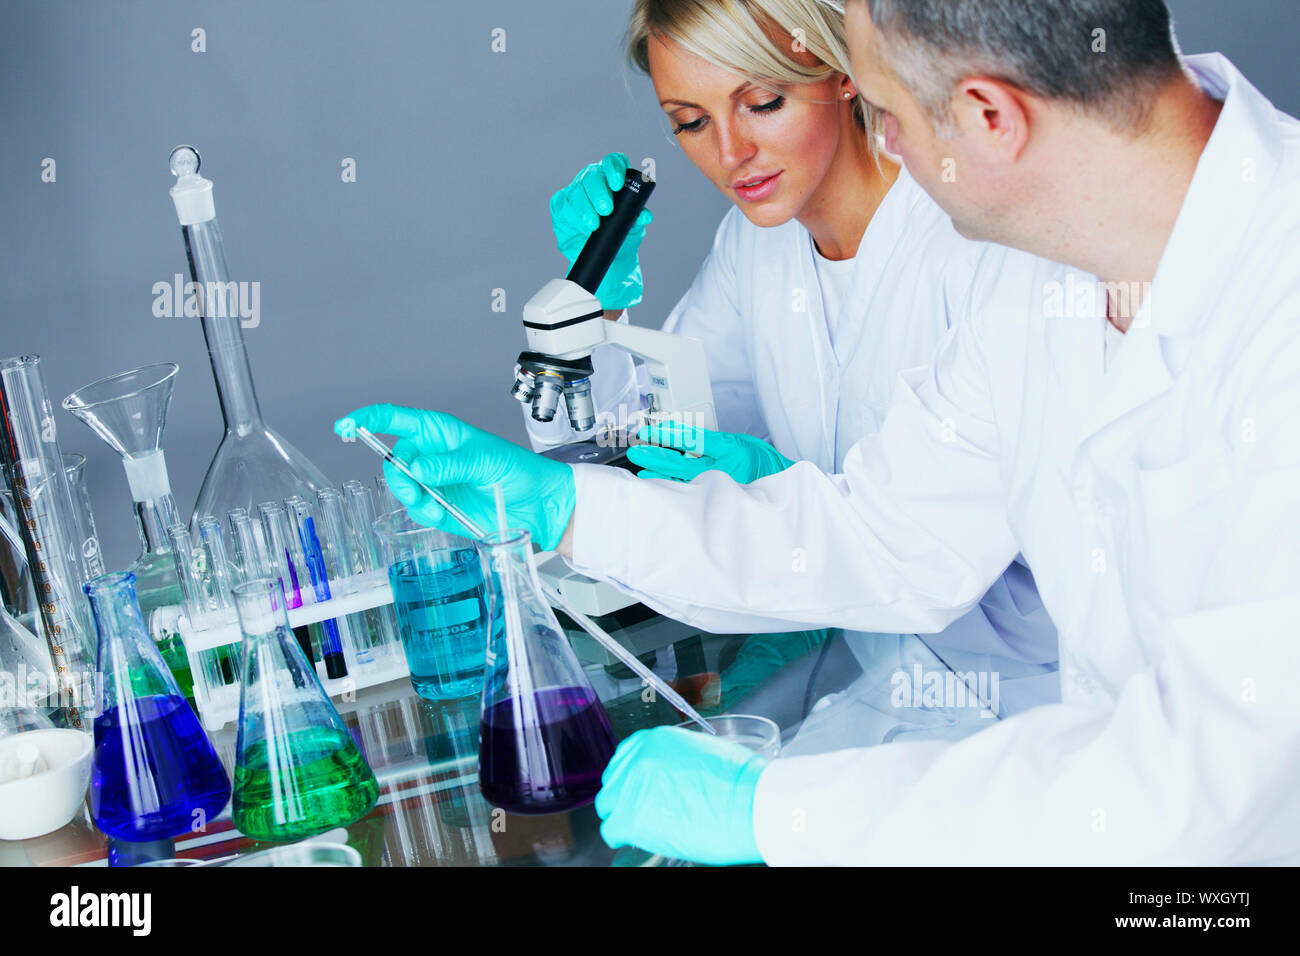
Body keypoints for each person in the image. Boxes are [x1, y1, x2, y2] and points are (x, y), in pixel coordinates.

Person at [338, 0, 1300, 865]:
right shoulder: (1040, 274)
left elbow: (1206, 789)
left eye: (883, 113)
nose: (880, 148)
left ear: (988, 119)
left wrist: (778, 815)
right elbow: (888, 538)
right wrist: (565, 507)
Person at [528, 0, 1060, 748]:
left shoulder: (968, 237)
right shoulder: (757, 250)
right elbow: (651, 443)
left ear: (844, 71)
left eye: (764, 102)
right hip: (873, 681)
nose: (731, 151)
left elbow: (920, 555)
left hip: (1041, 706)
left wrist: (769, 476)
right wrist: (602, 322)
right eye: (690, 121)